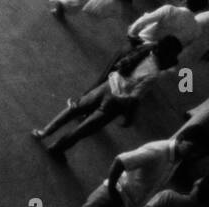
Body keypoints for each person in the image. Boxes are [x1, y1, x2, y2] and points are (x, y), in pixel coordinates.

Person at [31, 37, 183, 160]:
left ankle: (44, 132)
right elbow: (133, 98)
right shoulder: (153, 74)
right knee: (84, 129)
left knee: (75, 109)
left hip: (107, 85)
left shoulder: (146, 48)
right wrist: (129, 116)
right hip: (115, 102)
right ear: (167, 55)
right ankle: (57, 148)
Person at [69, 137, 202, 207]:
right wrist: (112, 190)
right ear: (182, 139)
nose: (192, 154)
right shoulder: (158, 150)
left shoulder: (177, 160)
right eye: (191, 148)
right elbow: (120, 161)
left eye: (197, 152)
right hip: (112, 197)